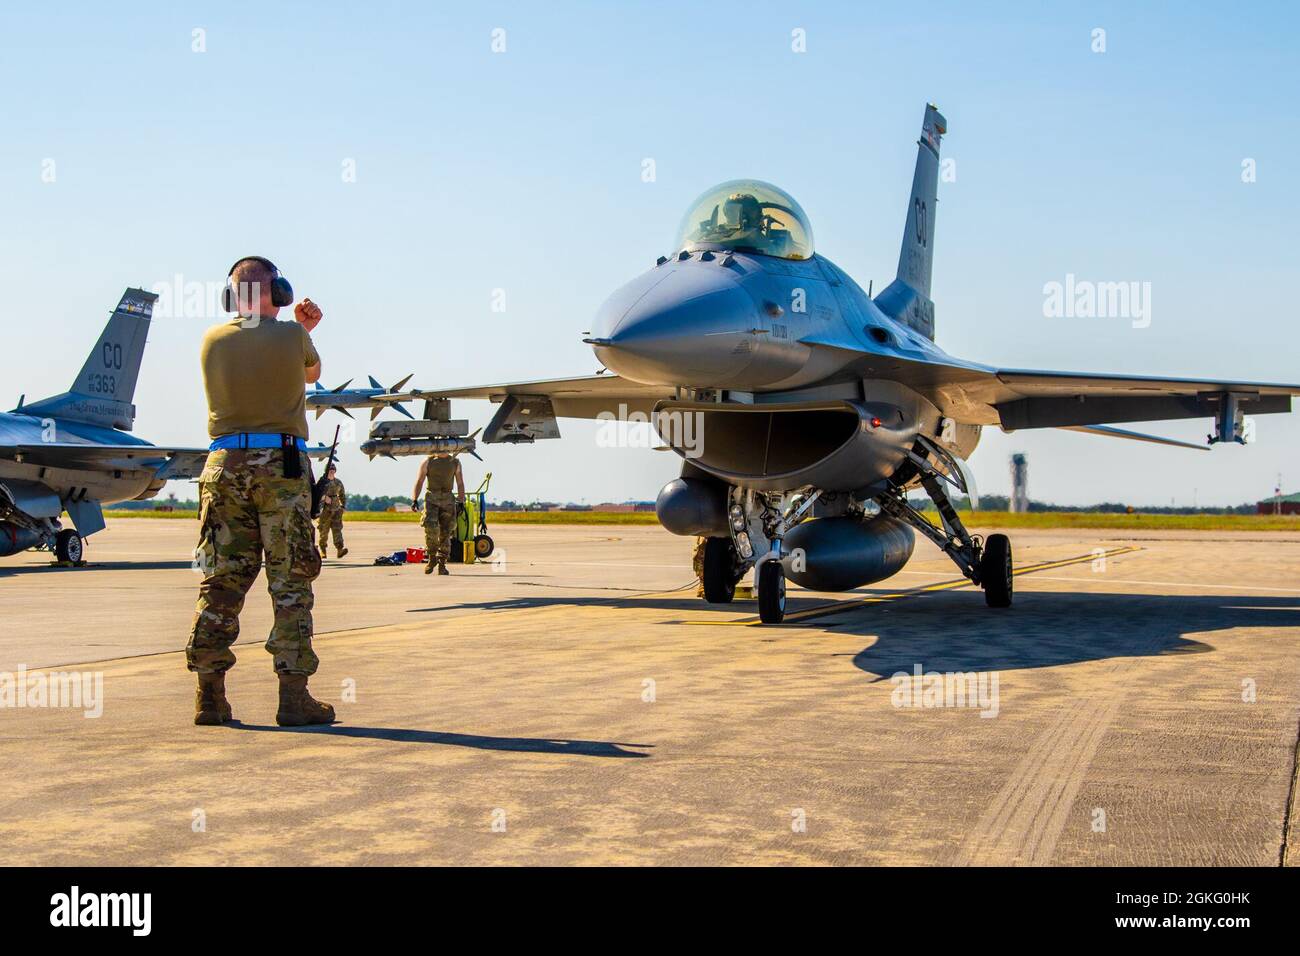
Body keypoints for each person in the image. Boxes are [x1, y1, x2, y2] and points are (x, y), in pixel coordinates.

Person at [187, 255, 336, 727]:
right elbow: (312, 375)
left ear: (231, 296)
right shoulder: (293, 336)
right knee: (290, 580)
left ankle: (209, 695)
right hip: (279, 464)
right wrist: (304, 327)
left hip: (221, 465)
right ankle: (293, 697)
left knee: (223, 578)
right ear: (280, 293)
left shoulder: (211, 339)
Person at [411, 452, 465, 575]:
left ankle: (442, 564)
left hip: (448, 500)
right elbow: (419, 481)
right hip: (431, 498)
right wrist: (414, 499)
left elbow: (460, 483)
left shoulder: (455, 462)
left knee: (446, 533)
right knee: (431, 529)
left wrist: (461, 501)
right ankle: (431, 558)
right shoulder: (427, 461)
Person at [315, 464, 348, 559]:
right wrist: (324, 497)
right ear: (326, 470)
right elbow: (316, 492)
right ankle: (323, 551)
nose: (332, 470)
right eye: (330, 469)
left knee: (337, 530)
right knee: (323, 531)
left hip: (336, 509)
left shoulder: (338, 482)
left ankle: (340, 549)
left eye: (333, 469)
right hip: (325, 510)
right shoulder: (323, 481)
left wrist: (343, 506)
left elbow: (342, 495)